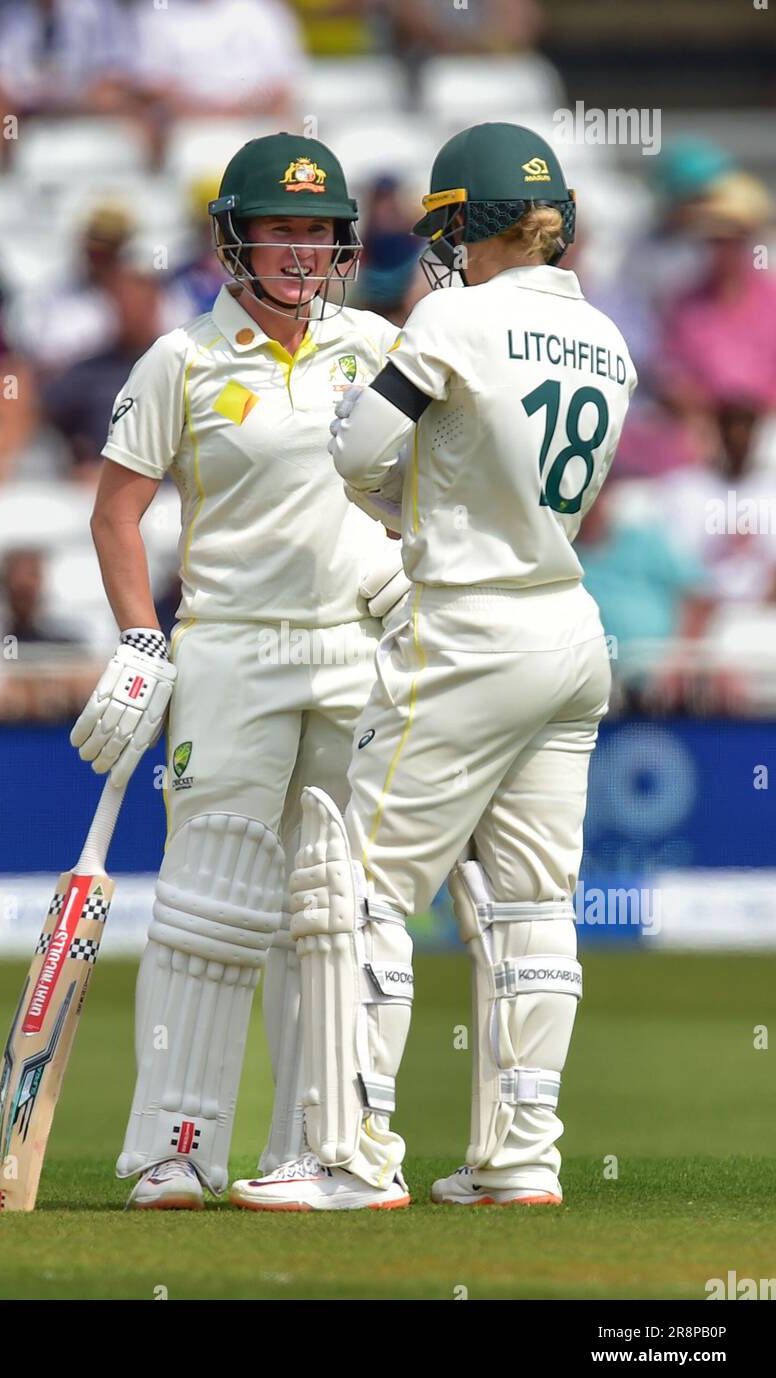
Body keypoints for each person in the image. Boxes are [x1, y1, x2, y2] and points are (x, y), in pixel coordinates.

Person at [231, 122, 637, 1212]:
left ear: (468, 224)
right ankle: (520, 1158)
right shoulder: (607, 336)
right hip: (568, 630)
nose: (437, 249)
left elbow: (357, 451)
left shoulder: (453, 316)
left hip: (464, 628)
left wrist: (398, 500)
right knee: (531, 907)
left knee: (358, 890)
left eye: (444, 227)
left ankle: (353, 1158)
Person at [71, 133, 407, 1210]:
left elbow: (432, 488)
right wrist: (139, 638)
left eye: (318, 229)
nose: (302, 250)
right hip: (229, 647)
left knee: (332, 910)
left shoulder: (376, 346)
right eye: (281, 228)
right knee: (210, 908)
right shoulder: (181, 359)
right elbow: (115, 512)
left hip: (352, 648)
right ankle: (176, 1148)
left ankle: (313, 1148)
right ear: (235, 239)